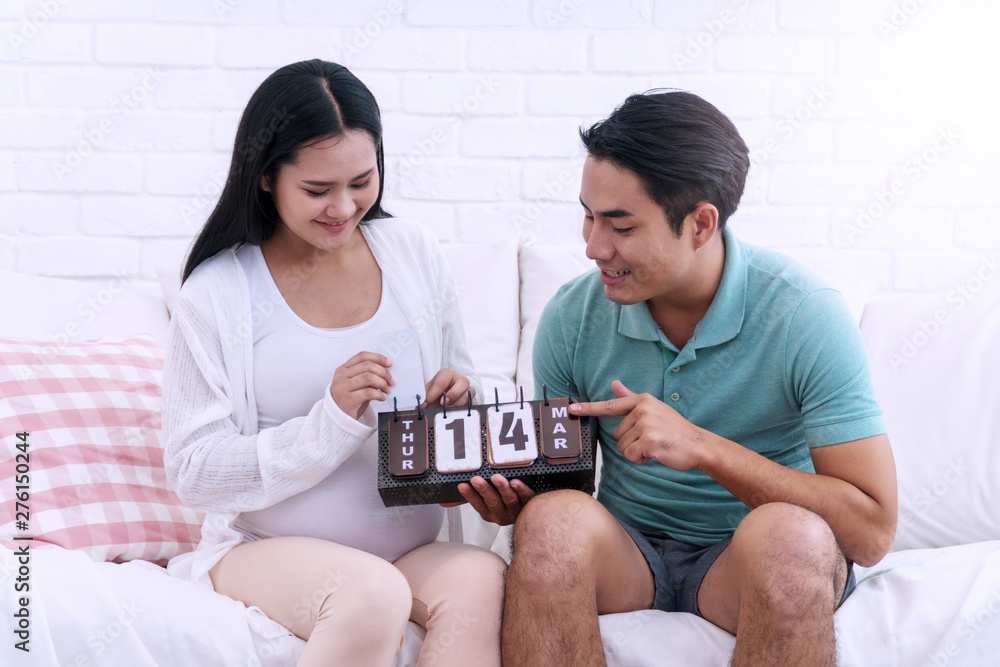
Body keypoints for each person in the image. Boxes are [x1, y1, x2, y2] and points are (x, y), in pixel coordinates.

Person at [458, 90, 897, 666]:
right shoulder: (572, 315)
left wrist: (705, 448)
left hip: (748, 560)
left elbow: (871, 531)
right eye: (588, 216)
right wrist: (515, 500)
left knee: (792, 541)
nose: (593, 246)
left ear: (700, 224)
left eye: (621, 225)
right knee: (549, 521)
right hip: (629, 555)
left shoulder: (803, 314)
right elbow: (563, 492)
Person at [162, 59, 505, 667]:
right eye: (318, 190)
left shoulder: (412, 251)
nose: (344, 208)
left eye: (362, 181)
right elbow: (194, 471)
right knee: (369, 592)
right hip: (268, 548)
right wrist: (333, 420)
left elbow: (458, 373)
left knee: (481, 576)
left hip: (409, 548)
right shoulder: (218, 292)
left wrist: (460, 401)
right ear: (265, 177)